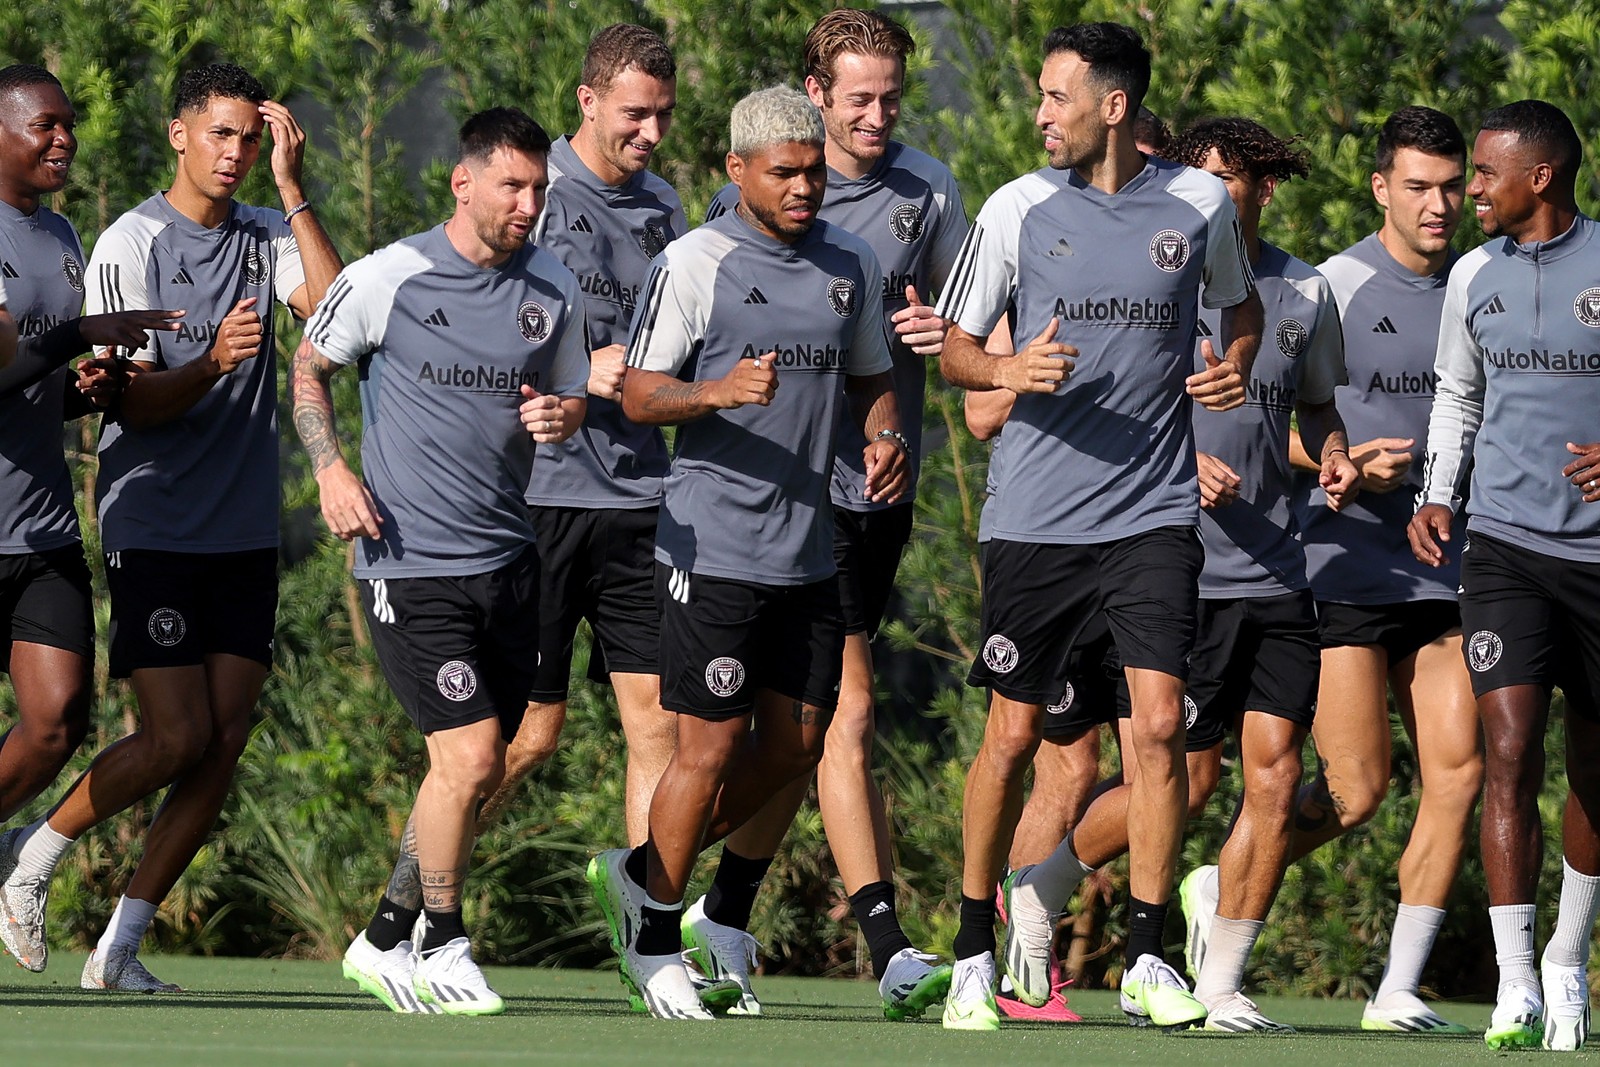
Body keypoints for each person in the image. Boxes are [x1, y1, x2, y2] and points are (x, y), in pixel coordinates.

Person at [934, 22, 1262, 1031]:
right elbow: (951, 348)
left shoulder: (1199, 203)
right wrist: (1004, 370)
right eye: (1037, 94)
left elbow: (1237, 310)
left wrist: (1234, 365)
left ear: (1110, 107)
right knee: (1013, 734)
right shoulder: (1015, 207)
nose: (1040, 113)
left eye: (1055, 95)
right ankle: (969, 945)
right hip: (1034, 519)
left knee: (1160, 726)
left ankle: (1150, 952)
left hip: (1155, 515)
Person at [369, 26, 700, 1013]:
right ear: (587, 101)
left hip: (640, 496)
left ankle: (650, 934)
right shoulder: (529, 193)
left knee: (662, 726)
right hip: (536, 505)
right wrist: (567, 375)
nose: (649, 132)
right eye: (633, 112)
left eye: (663, 115)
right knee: (518, 743)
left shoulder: (666, 205)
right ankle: (398, 921)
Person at [0, 63, 339, 993]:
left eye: (250, 136)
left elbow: (335, 311)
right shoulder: (129, 239)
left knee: (223, 741)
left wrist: (296, 193)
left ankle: (118, 949)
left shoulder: (266, 230)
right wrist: (213, 366)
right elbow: (131, 406)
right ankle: (32, 856)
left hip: (242, 526)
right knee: (175, 733)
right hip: (152, 515)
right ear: (180, 133)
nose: (236, 153)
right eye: (220, 134)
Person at [589, 85, 908, 1021]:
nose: (808, 186)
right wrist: (718, 391)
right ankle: (655, 942)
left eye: (815, 170)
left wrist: (883, 433)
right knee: (711, 742)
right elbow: (642, 396)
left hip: (811, 549)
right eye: (787, 172)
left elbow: (874, 374)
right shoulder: (696, 263)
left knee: (800, 745)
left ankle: (640, 871)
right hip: (714, 546)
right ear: (739, 173)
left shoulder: (851, 263)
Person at [689, 7, 965, 1019]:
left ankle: (712, 908)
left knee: (799, 731)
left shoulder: (929, 189)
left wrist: (970, 359)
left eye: (891, 97)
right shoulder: (747, 195)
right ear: (814, 95)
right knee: (842, 714)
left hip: (878, 491)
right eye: (858, 98)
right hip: (779, 496)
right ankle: (889, 944)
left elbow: (967, 321)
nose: (876, 116)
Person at [299, 107, 588, 1016]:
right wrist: (330, 467)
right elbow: (310, 366)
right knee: (465, 755)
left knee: (482, 759)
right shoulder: (388, 276)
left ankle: (385, 934)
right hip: (406, 560)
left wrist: (563, 415)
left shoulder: (552, 285)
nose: (530, 203)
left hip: (509, 558)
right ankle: (445, 939)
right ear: (463, 183)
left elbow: (571, 393)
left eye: (539, 187)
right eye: (513, 185)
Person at [1222, 106, 1476, 1035]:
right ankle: (1220, 882)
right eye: (1417, 186)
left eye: (1452, 186)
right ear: (1381, 189)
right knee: (1356, 790)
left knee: (1462, 771)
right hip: (1338, 568)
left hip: (1445, 572)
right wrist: (1335, 462)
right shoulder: (1329, 284)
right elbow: (1265, 418)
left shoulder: (1482, 285)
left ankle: (1398, 988)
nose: (1438, 204)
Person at [1409, 100, 1600, 1053]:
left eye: (1484, 173)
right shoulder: (1472, 276)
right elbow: (1457, 392)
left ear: (1544, 177)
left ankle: (1569, 955)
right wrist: (1438, 491)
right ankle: (1517, 979)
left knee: (1596, 773)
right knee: (1510, 747)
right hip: (1506, 547)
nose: (1467, 190)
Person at [0, 63, 181, 889]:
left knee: (57, 720)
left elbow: (36, 390)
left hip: (40, 529)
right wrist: (82, 330)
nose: (64, 138)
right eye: (46, 125)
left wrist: (90, 391)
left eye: (68, 123)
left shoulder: (64, 235)